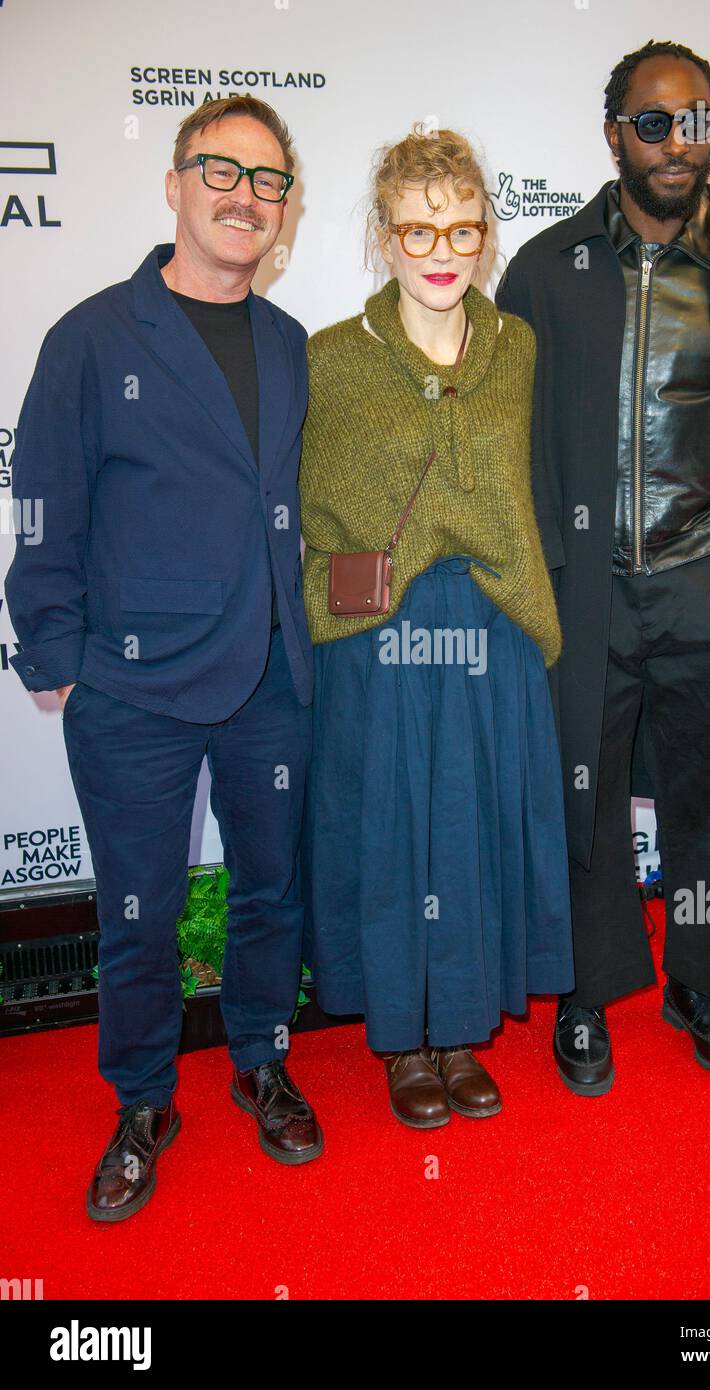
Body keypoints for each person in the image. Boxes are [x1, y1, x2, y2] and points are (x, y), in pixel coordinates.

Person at [495, 41, 710, 1094]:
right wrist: (540, 570)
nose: (676, 141)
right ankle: (588, 992)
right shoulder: (545, 268)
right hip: (586, 589)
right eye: (652, 121)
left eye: (695, 118)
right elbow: (501, 430)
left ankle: (700, 982)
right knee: (581, 794)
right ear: (613, 133)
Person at [5, 96, 323, 1222]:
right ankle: (143, 1099)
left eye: (268, 180)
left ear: (284, 211)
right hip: (132, 686)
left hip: (271, 680)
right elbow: (42, 497)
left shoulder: (290, 345)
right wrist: (49, 641)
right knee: (139, 912)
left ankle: (259, 1061)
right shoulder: (93, 337)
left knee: (270, 894)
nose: (245, 195)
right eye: (221, 171)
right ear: (177, 185)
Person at [299, 125, 574, 1128]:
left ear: (487, 231)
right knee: (392, 831)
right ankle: (404, 1041)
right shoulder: (330, 361)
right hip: (381, 641)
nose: (441, 251)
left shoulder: (518, 350)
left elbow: (526, 487)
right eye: (417, 232)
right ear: (382, 235)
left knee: (472, 826)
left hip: (493, 629)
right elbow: (303, 509)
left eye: (461, 228)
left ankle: (459, 1028)